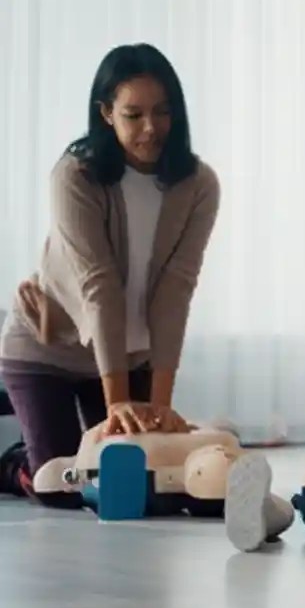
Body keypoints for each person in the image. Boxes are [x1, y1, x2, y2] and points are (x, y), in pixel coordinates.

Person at [0, 43, 219, 501]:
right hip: (47, 351)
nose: (150, 129)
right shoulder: (75, 176)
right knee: (61, 485)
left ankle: (53, 443)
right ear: (106, 113)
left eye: (162, 112)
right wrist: (118, 404)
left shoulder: (198, 184)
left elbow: (176, 291)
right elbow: (97, 285)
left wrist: (160, 410)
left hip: (128, 357)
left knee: (141, 475)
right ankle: (16, 461)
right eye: (133, 114)